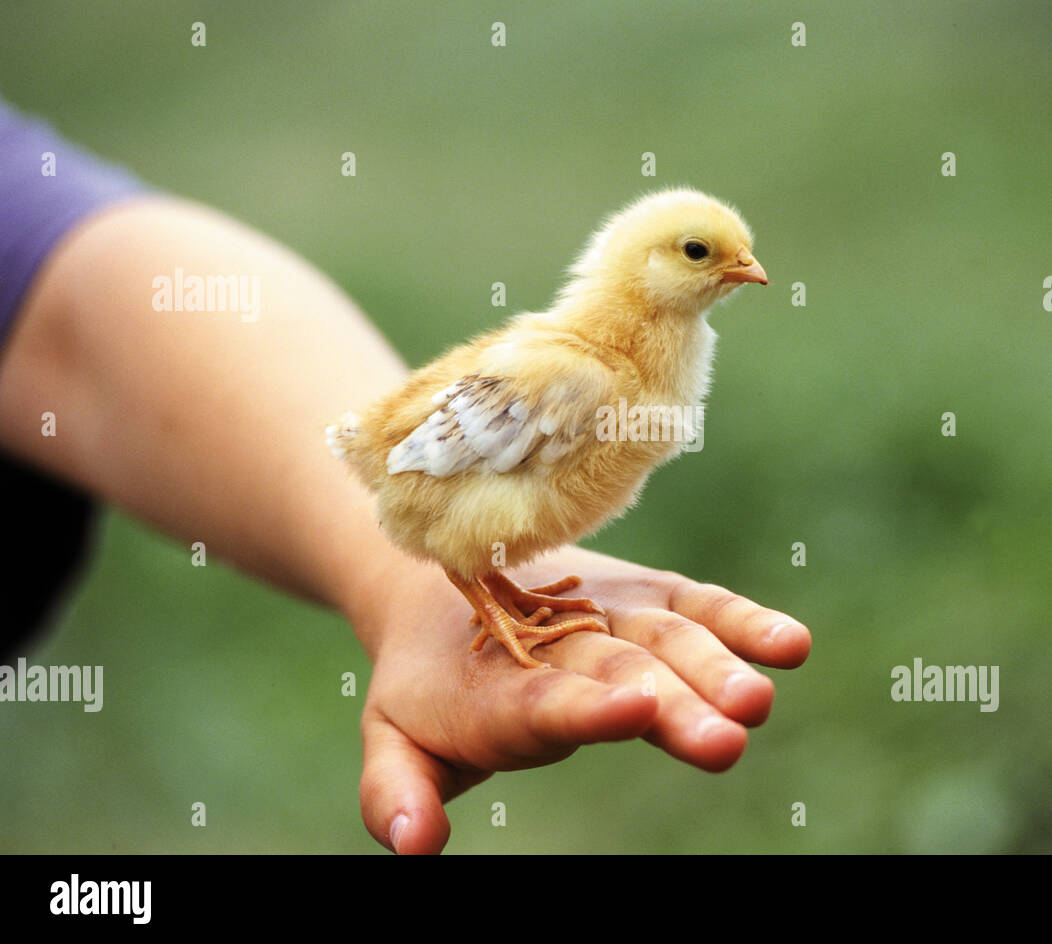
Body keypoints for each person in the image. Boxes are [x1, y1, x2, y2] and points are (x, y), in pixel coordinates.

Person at [0, 100, 810, 853]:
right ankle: (501, 610)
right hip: (437, 470)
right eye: (705, 255)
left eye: (733, 254)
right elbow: (430, 465)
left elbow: (58, 270)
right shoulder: (583, 376)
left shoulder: (628, 363)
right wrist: (489, 607)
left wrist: (405, 601)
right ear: (643, 270)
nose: (740, 267)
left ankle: (505, 606)